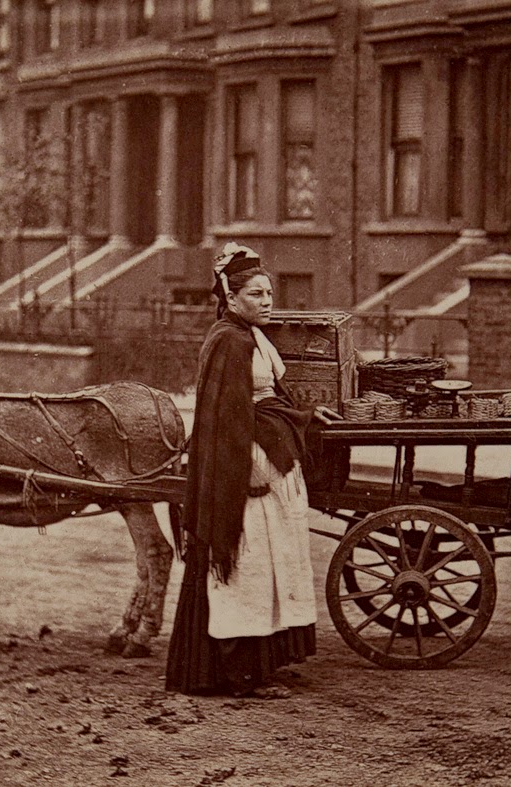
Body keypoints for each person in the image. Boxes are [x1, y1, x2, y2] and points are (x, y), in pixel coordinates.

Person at [165, 242, 317, 698]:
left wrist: (305, 417)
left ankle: (265, 660)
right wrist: (246, 473)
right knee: (246, 571)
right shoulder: (228, 341)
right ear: (230, 299)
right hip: (246, 473)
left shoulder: (251, 335)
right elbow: (226, 420)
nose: (267, 301)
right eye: (256, 294)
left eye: (269, 293)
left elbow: (273, 396)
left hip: (266, 463)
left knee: (272, 567)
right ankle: (238, 672)